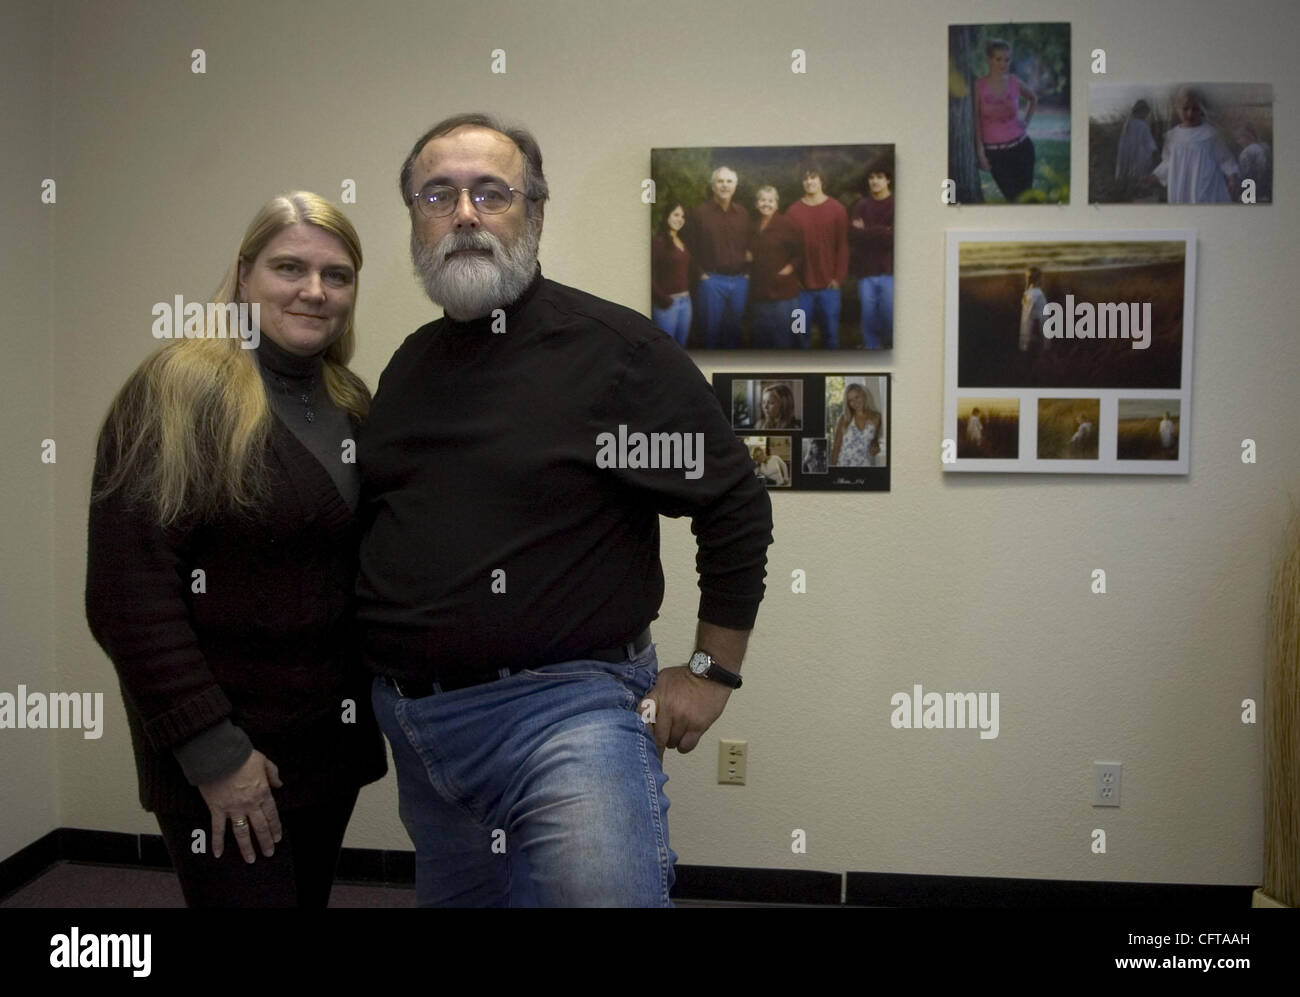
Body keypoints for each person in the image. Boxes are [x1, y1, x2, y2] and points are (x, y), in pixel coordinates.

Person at [361, 114, 774, 907]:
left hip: (567, 717)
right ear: (416, 218)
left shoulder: (615, 354)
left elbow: (733, 502)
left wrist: (714, 670)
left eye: (493, 192)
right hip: (422, 738)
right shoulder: (410, 364)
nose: (466, 214)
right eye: (438, 194)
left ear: (537, 213)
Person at [85, 192, 387, 908]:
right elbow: (129, 597)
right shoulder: (178, 391)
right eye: (290, 267)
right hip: (221, 751)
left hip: (324, 749)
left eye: (336, 274)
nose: (315, 290)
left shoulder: (352, 400)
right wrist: (215, 753)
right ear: (245, 274)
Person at [686, 166, 749, 348]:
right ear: (713, 186)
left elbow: (750, 245)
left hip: (739, 282)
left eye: (729, 181)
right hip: (711, 281)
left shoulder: (743, 214)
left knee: (733, 334)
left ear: (735, 186)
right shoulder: (700, 214)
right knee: (709, 334)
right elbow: (689, 247)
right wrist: (701, 275)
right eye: (720, 181)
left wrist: (747, 272)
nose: (724, 185)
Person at [786, 168, 848, 348]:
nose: (809, 182)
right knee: (798, 336)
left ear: (822, 181)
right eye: (805, 178)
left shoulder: (837, 209)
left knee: (830, 337)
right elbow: (788, 249)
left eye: (813, 177)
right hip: (800, 290)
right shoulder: (793, 211)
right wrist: (793, 279)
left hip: (829, 289)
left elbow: (843, 246)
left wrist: (838, 278)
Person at [973, 38, 1038, 203]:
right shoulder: (978, 86)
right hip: (996, 155)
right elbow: (976, 120)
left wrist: (1026, 122)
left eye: (1007, 59)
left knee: (1027, 200)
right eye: (998, 59)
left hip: (1022, 149)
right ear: (989, 59)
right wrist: (980, 153)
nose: (1003, 63)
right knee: (1014, 199)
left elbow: (1033, 98)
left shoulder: (1015, 81)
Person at [1148, 87, 1239, 204]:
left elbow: (1225, 159)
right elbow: (1168, 162)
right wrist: (1155, 177)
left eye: (1195, 109)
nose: (1190, 113)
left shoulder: (1210, 134)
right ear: (1177, 109)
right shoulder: (1172, 136)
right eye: (1185, 109)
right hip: (1181, 185)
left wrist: (1232, 177)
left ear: (1201, 109)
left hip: (1205, 185)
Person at [746, 185, 802, 349]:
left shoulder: (787, 224)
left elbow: (800, 253)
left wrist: (789, 269)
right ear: (757, 204)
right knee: (761, 339)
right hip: (759, 293)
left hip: (783, 293)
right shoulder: (753, 227)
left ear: (776, 204)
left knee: (783, 340)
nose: (766, 204)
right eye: (762, 200)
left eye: (770, 201)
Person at [848, 162, 894, 349]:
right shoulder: (861, 205)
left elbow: (894, 238)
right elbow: (854, 235)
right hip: (866, 271)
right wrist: (883, 230)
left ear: (888, 180)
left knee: (889, 314)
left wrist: (867, 231)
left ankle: (891, 349)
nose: (875, 181)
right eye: (871, 177)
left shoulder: (895, 204)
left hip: (889, 270)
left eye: (879, 177)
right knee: (868, 316)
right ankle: (871, 349)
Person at [651, 201, 691, 346]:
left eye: (682, 216)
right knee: (667, 351)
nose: (679, 219)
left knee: (682, 352)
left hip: (686, 302)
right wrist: (663, 299)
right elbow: (648, 275)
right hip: (667, 304)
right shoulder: (658, 241)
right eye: (676, 214)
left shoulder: (682, 240)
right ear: (667, 216)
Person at [830, 382, 883, 467]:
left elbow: (874, 440)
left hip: (865, 466)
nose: (855, 402)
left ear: (863, 395)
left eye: (857, 397)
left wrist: (875, 445)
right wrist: (832, 471)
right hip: (843, 466)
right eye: (850, 400)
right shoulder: (844, 418)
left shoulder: (876, 417)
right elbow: (836, 446)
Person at [1114, 100, 1158, 198]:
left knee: (1130, 173)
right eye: (1146, 112)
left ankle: (1130, 191)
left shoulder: (1128, 123)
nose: (1147, 115)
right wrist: (1154, 150)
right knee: (1141, 173)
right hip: (1141, 155)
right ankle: (1140, 192)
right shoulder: (1142, 125)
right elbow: (1149, 142)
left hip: (1129, 153)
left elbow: (1124, 142)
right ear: (1140, 111)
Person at [1235, 122, 1272, 203]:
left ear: (1247, 137)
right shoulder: (1265, 146)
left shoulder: (1246, 153)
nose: (1238, 142)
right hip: (1266, 187)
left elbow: (1245, 174)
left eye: (1239, 138)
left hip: (1251, 189)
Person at [1019, 267, 1046, 353]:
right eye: (1042, 277)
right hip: (1036, 334)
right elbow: (1036, 317)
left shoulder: (1027, 293)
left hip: (1028, 333)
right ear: (1039, 279)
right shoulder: (1036, 294)